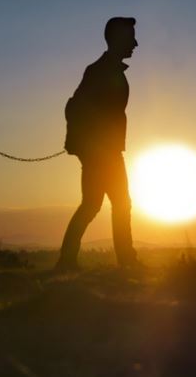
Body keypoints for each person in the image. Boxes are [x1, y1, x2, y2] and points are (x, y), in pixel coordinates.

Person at [56, 17, 139, 270]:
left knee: (97, 204)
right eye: (130, 38)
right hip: (102, 152)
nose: (135, 43)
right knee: (111, 204)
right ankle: (125, 262)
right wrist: (91, 147)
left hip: (105, 150)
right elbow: (80, 108)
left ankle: (69, 261)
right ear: (117, 40)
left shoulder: (105, 69)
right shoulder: (100, 71)